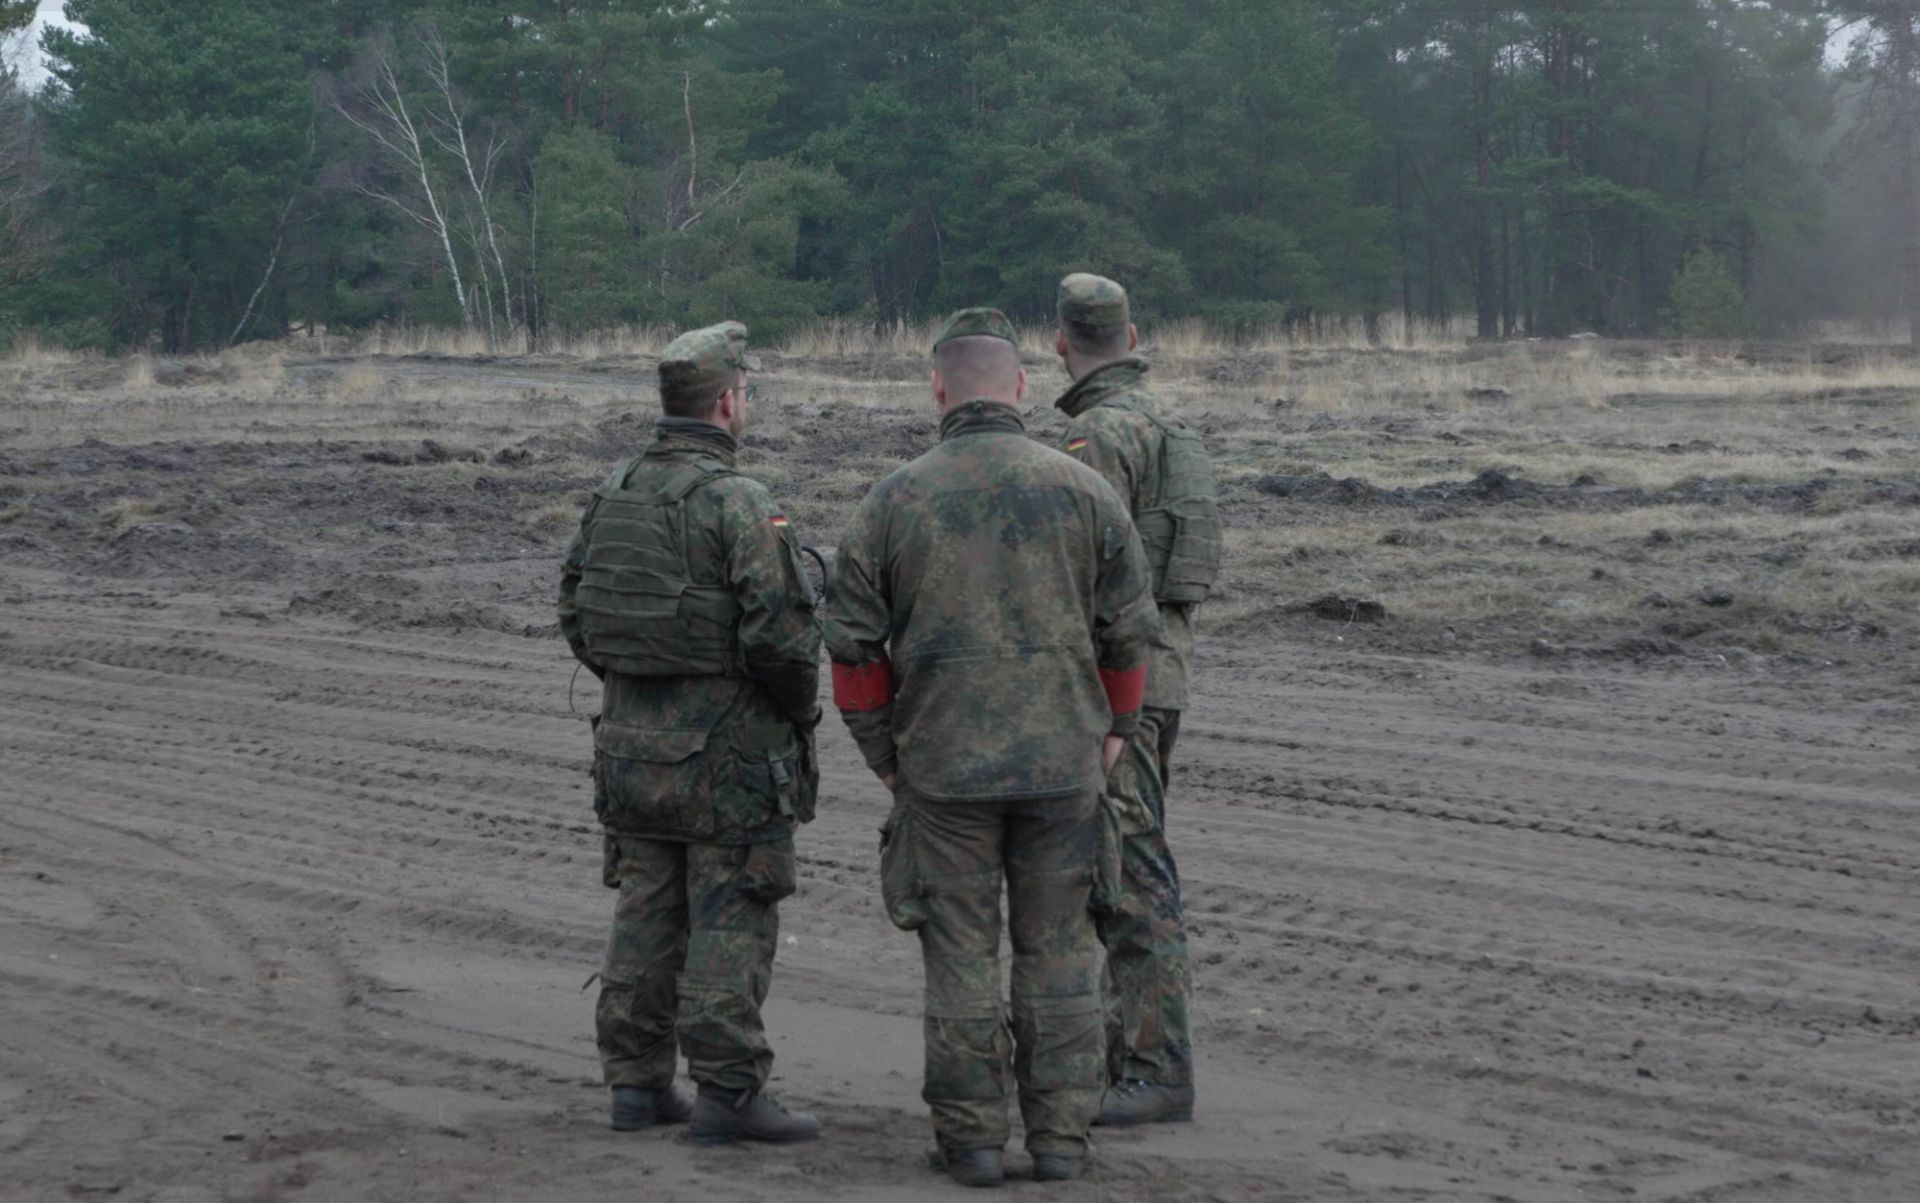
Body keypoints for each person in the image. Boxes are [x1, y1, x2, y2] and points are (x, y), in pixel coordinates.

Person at [825, 308, 1161, 1187]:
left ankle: (972, 1141)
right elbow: (1132, 632)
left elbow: (851, 646)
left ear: (938, 390)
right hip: (1064, 768)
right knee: (1059, 956)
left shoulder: (893, 498)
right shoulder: (1087, 491)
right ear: (1019, 387)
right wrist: (1116, 733)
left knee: (960, 958)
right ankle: (1059, 1140)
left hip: (941, 772)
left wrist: (886, 755)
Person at [557, 320, 824, 1145]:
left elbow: (576, 612)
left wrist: (639, 687)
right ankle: (729, 1089)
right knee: (731, 908)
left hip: (631, 752)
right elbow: (780, 635)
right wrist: (796, 707)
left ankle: (635, 1084)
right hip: (726, 757)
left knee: (646, 911)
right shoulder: (737, 500)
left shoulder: (616, 489)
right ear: (728, 401)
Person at [1052, 273, 1223, 1126]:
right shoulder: (1171, 427)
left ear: (1059, 344)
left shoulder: (1096, 435)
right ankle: (1134, 1057)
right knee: (1127, 859)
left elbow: (1088, 576)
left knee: (1129, 870)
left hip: (1118, 686)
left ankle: (1155, 1067)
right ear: (1132, 333)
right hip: (1166, 675)